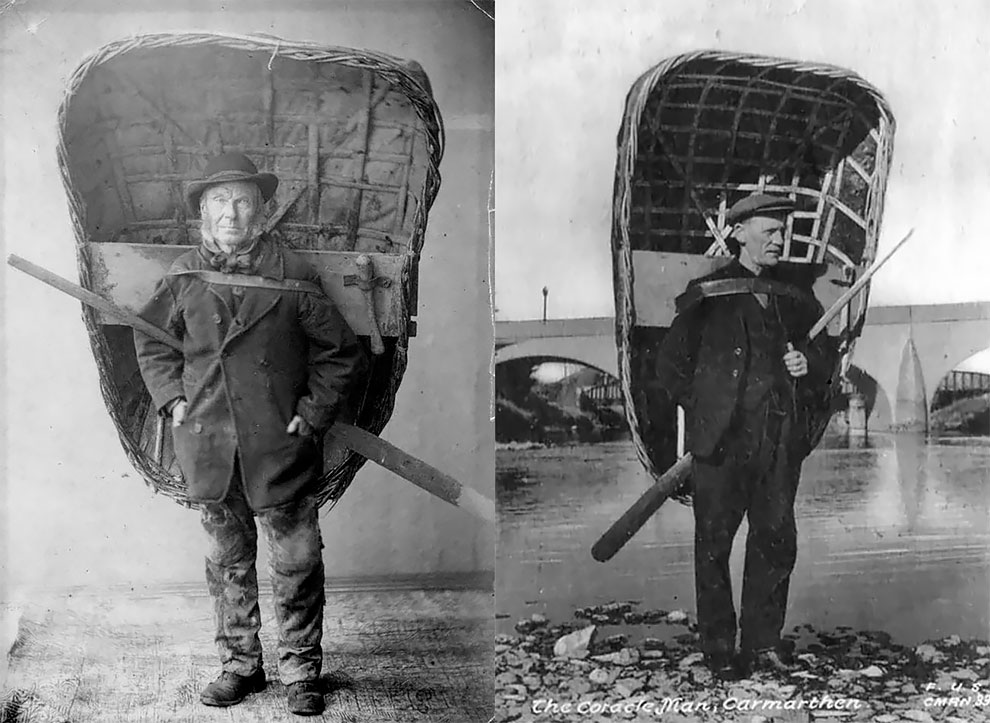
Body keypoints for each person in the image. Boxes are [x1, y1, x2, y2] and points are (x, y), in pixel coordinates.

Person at [134, 152, 367, 715]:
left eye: (242, 201)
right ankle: (240, 667)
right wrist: (173, 398)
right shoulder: (184, 276)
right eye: (219, 202)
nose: (231, 213)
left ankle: (300, 671)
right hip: (210, 449)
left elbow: (340, 352)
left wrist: (311, 414)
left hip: (278, 449)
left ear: (261, 210)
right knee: (227, 562)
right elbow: (151, 342)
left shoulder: (292, 275)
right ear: (202, 215)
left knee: (296, 561)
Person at [651, 193, 838, 680]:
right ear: (738, 233)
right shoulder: (706, 292)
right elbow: (670, 369)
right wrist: (707, 407)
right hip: (721, 446)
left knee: (775, 542)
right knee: (713, 547)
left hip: (777, 442)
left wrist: (807, 364)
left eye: (783, 232)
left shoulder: (795, 299)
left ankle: (763, 644)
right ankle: (718, 649)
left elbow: (825, 363)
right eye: (769, 231)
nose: (779, 240)